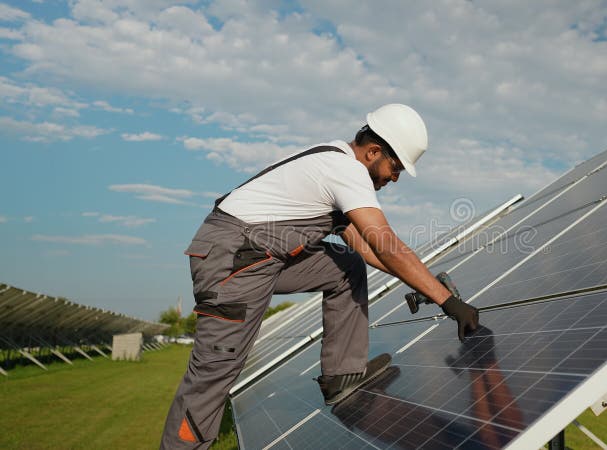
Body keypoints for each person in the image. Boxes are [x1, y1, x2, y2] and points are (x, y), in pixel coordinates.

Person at [160, 104, 480, 449]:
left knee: (348, 265)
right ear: (373, 152)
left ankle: (341, 376)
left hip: (258, 255)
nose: (395, 177)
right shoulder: (345, 171)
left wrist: (430, 288)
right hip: (234, 258)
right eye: (395, 166)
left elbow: (369, 251)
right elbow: (386, 245)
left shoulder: (333, 161)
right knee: (214, 373)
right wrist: (448, 302)